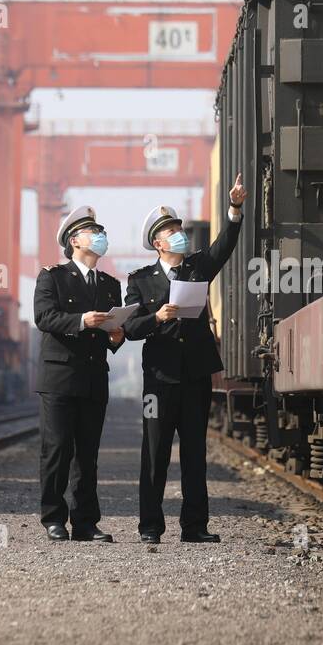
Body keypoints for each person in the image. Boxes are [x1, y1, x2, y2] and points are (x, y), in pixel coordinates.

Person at [123, 174, 247, 543]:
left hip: (195, 378)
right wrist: (157, 318)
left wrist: (235, 209)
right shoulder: (140, 281)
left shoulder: (197, 267)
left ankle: (195, 527)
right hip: (158, 382)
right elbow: (130, 328)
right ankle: (150, 527)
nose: (179, 233)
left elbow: (224, 247)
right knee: (154, 454)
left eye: (179, 227)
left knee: (195, 455)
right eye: (171, 230)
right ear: (158, 243)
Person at [33, 205, 125, 542]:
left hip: (93, 378)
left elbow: (114, 329)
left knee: (88, 455)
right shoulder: (52, 276)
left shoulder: (110, 285)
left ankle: (86, 523)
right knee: (57, 450)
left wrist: (118, 336)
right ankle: (53, 518)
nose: (101, 237)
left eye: (102, 232)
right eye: (94, 232)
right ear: (75, 239)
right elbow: (44, 317)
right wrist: (81, 320)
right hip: (58, 378)